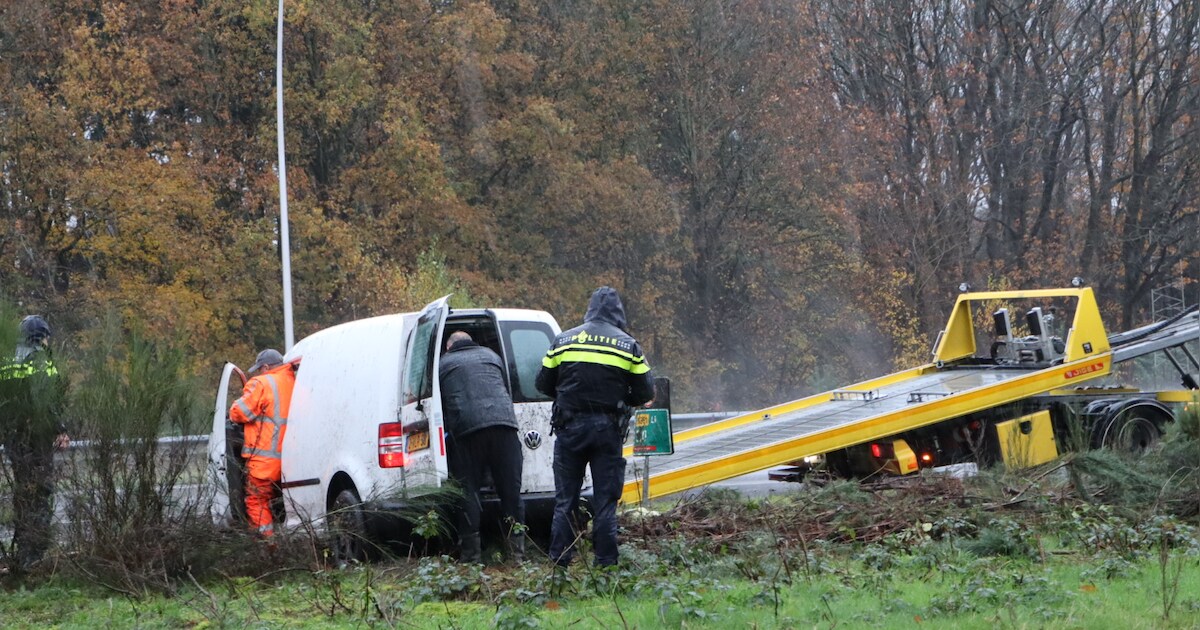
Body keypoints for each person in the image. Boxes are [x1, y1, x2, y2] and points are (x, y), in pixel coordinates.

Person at [536, 287, 653, 568]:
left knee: (565, 501)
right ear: (618, 312)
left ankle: (560, 565)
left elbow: (542, 384)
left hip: (569, 429)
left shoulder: (563, 341)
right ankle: (606, 566)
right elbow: (644, 392)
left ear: (589, 309)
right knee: (605, 503)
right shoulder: (628, 345)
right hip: (607, 431)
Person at [438, 331, 525, 563]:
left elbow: (440, 404)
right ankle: (517, 556)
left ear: (448, 347)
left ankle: (471, 557)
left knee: (468, 492)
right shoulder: (491, 356)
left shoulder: (444, 364)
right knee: (511, 493)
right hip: (505, 426)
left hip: (469, 431)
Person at [0, 315, 68, 568]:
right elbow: (44, 399)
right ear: (42, 336)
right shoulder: (37, 357)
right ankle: (35, 556)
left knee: (23, 492)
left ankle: (22, 550)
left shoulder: (7, 361)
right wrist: (59, 429)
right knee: (41, 491)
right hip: (35, 437)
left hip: (14, 438)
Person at [229, 348, 295, 537]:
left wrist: (233, 407)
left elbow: (239, 412)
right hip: (292, 459)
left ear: (266, 367)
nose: (259, 372)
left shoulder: (261, 383)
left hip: (265, 460)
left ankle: (267, 546)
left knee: (256, 500)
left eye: (260, 369)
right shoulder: (296, 382)